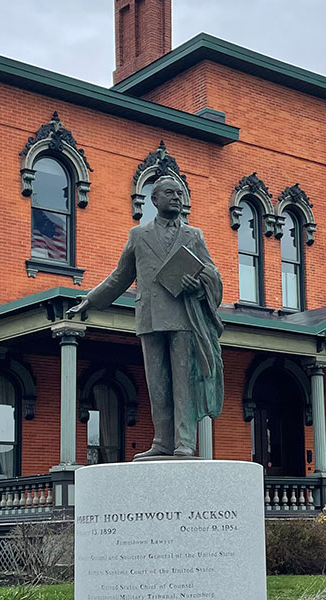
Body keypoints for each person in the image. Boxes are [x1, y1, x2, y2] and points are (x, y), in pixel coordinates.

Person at [66, 177, 224, 458]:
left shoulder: (194, 235)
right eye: (169, 193)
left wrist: (198, 286)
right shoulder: (138, 236)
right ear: (154, 200)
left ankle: (184, 441)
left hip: (183, 318)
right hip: (150, 317)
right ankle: (162, 441)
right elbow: (119, 277)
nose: (176, 197)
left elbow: (212, 274)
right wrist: (89, 300)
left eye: (180, 193)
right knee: (158, 384)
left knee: (183, 382)